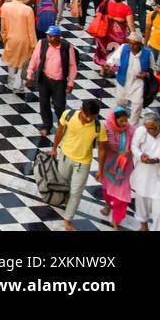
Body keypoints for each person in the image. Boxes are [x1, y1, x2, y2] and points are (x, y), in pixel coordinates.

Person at [50, 99, 108, 231]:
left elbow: (102, 149)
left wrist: (100, 169)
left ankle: (68, 220)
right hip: (65, 155)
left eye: (92, 117)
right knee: (62, 184)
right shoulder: (68, 115)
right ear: (81, 110)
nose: (88, 119)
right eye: (86, 115)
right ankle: (63, 198)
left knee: (76, 192)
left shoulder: (99, 127)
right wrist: (54, 148)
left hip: (83, 162)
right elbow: (59, 130)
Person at [27, 25, 78, 136]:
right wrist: (29, 74)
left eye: (52, 36)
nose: (49, 38)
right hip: (44, 79)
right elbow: (35, 59)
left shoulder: (66, 47)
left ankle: (62, 125)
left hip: (59, 81)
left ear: (58, 37)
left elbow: (72, 65)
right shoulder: (42, 43)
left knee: (59, 105)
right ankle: (46, 126)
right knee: (44, 104)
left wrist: (71, 82)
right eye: (48, 35)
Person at [130, 109, 160, 231]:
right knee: (141, 202)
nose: (150, 131)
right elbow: (134, 146)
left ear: (159, 124)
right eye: (148, 129)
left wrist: (158, 161)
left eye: (152, 128)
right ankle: (143, 226)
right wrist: (140, 155)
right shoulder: (141, 131)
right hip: (143, 175)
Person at [0, 0, 37, 93]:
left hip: (11, 38)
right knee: (23, 62)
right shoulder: (28, 10)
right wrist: (34, 44)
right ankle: (20, 85)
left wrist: (4, 37)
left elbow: (3, 25)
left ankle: (11, 83)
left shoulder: (5, 6)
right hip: (25, 40)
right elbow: (31, 30)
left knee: (11, 61)